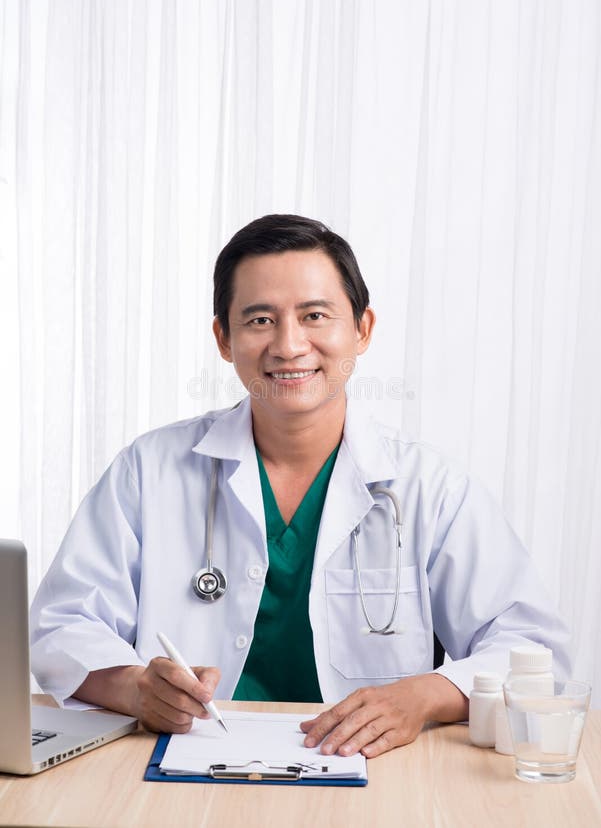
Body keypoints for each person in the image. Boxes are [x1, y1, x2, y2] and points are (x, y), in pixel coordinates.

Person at [30, 214, 571, 759]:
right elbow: (61, 624)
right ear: (224, 338)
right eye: (260, 319)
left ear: (362, 329)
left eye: (315, 315)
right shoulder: (150, 470)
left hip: (376, 776)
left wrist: (424, 696)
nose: (289, 346)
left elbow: (533, 649)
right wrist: (134, 687)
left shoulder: (431, 488)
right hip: (181, 768)